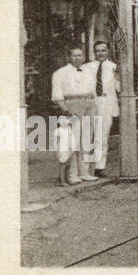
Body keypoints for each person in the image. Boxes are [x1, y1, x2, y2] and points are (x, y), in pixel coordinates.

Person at [50, 46, 98, 186]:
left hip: (88, 105)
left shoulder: (88, 72)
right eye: (74, 55)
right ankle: (72, 175)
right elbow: (57, 96)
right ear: (69, 57)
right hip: (72, 106)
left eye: (80, 55)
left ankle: (84, 172)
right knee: (73, 142)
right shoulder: (60, 73)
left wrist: (93, 106)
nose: (78, 58)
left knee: (86, 140)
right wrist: (65, 110)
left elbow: (93, 91)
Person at [87, 40, 120, 177]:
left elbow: (119, 88)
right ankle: (85, 167)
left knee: (102, 136)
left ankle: (99, 167)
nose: (100, 53)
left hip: (106, 103)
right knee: (87, 135)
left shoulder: (114, 67)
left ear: (108, 51)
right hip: (91, 102)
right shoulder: (87, 67)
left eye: (103, 50)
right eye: (98, 51)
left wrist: (119, 76)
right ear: (94, 52)